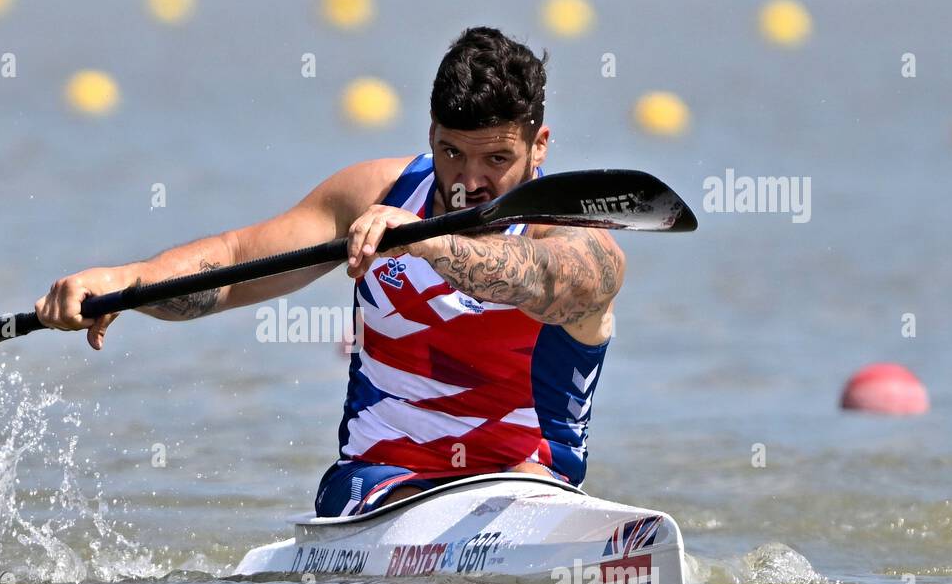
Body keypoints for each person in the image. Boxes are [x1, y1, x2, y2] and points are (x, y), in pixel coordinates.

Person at [35, 27, 624, 517]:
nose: (469, 181)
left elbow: (550, 281)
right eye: (451, 153)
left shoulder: (575, 237)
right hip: (378, 489)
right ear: (430, 134)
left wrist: (429, 245)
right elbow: (238, 261)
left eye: (497, 159)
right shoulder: (373, 194)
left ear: (539, 145)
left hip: (534, 496)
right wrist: (129, 283)